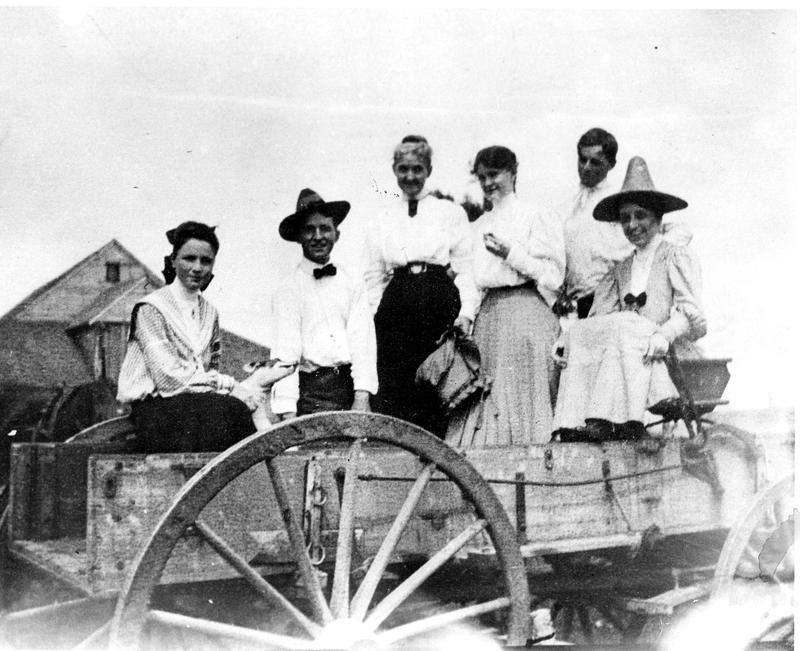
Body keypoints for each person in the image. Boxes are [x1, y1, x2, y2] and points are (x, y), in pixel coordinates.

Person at [552, 157, 707, 442]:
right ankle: (573, 421)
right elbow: (599, 321)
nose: (632, 225)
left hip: (667, 349)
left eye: (640, 216)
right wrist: (568, 339)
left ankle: (609, 418)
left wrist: (665, 334)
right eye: (625, 218)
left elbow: (691, 313)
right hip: (629, 353)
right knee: (584, 328)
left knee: (624, 323)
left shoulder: (674, 256)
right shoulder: (619, 270)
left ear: (658, 218)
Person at [446, 146, 565, 447]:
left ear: (513, 173)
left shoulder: (536, 215)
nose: (488, 183)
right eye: (482, 177)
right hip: (489, 320)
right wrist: (466, 315)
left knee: (527, 396)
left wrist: (511, 254)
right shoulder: (477, 226)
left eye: (494, 174)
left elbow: (554, 277)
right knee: (488, 398)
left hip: (527, 315)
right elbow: (471, 279)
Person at [117, 222, 269, 452]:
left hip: (196, 406)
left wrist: (226, 390)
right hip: (156, 408)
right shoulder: (151, 308)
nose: (197, 268)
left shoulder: (210, 312)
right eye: (189, 258)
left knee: (233, 409)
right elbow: (167, 378)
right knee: (228, 409)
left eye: (205, 261)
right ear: (173, 260)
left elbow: (210, 368)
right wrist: (229, 386)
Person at [364, 135, 478, 435]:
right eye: (403, 169)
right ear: (394, 170)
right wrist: (377, 318)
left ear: (428, 169)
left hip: (437, 300)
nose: (410, 176)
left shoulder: (450, 213)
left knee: (434, 384)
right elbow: (373, 277)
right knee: (396, 389)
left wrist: (466, 313)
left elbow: (467, 271)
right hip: (396, 305)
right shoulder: (381, 219)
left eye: (417, 168)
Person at [556, 128, 692, 320]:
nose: (586, 167)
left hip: (616, 299)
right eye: (582, 159)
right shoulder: (567, 209)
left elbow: (677, 230)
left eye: (595, 162)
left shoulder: (620, 201)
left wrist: (643, 262)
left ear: (611, 164)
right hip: (579, 305)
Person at [270, 189, 377, 418]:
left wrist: (361, 397)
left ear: (336, 234)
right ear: (298, 236)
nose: (318, 236)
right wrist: (287, 412)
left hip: (351, 389)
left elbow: (363, 342)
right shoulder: (288, 289)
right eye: (309, 230)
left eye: (325, 228)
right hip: (311, 393)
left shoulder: (352, 281)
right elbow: (285, 353)